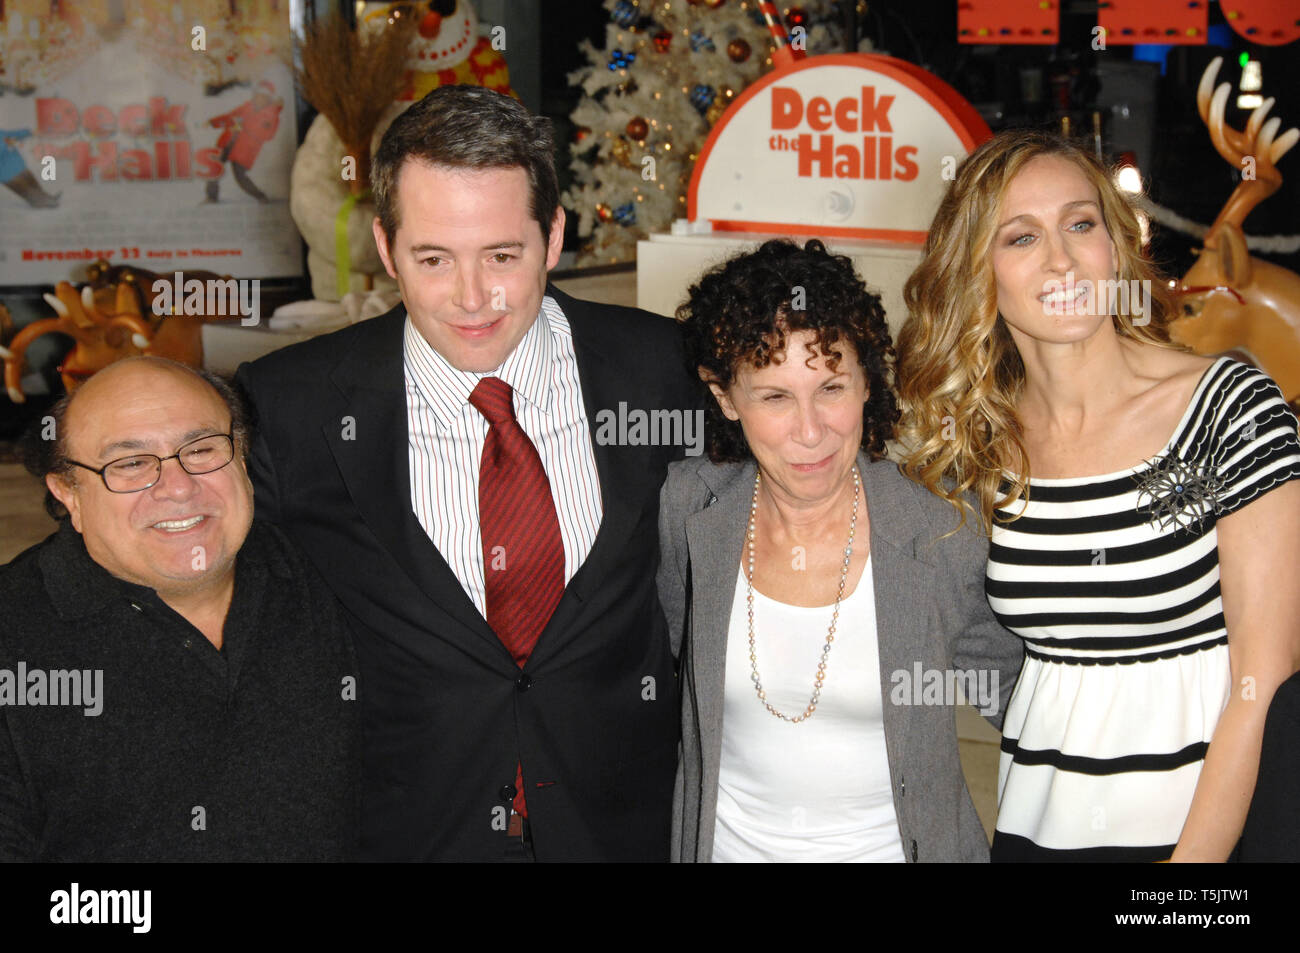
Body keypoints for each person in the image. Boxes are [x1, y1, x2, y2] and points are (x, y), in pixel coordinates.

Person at [234, 85, 698, 861]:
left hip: (626, 828)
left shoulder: (666, 370)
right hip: (404, 832)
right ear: (386, 248)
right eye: (434, 259)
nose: (472, 297)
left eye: (503, 256)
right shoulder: (289, 406)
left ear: (553, 237)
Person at [894, 129, 1300, 862]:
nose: (1060, 258)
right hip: (1035, 827)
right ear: (978, 274)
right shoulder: (987, 444)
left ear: (1115, 243)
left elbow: (1263, 676)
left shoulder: (1228, 406)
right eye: (1021, 238)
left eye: (1080, 223)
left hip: (1206, 839)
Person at [659, 239, 1024, 862]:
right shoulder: (690, 509)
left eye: (830, 388)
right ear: (725, 398)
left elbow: (1026, 709)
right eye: (774, 397)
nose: (809, 430)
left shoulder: (941, 530)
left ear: (865, 383)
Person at [0, 357, 359, 861]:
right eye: (129, 464)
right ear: (68, 494)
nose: (178, 486)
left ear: (243, 457)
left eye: (202, 449)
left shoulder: (337, 575)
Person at [204, 79, 282, 203]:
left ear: (268, 98)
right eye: (257, 94)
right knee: (215, 166)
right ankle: (211, 196)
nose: (258, 97)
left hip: (244, 150)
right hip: (227, 142)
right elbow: (230, 117)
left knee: (240, 177)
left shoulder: (271, 115)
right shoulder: (247, 106)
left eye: (263, 95)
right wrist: (213, 122)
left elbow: (268, 135)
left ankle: (260, 196)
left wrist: (246, 126)